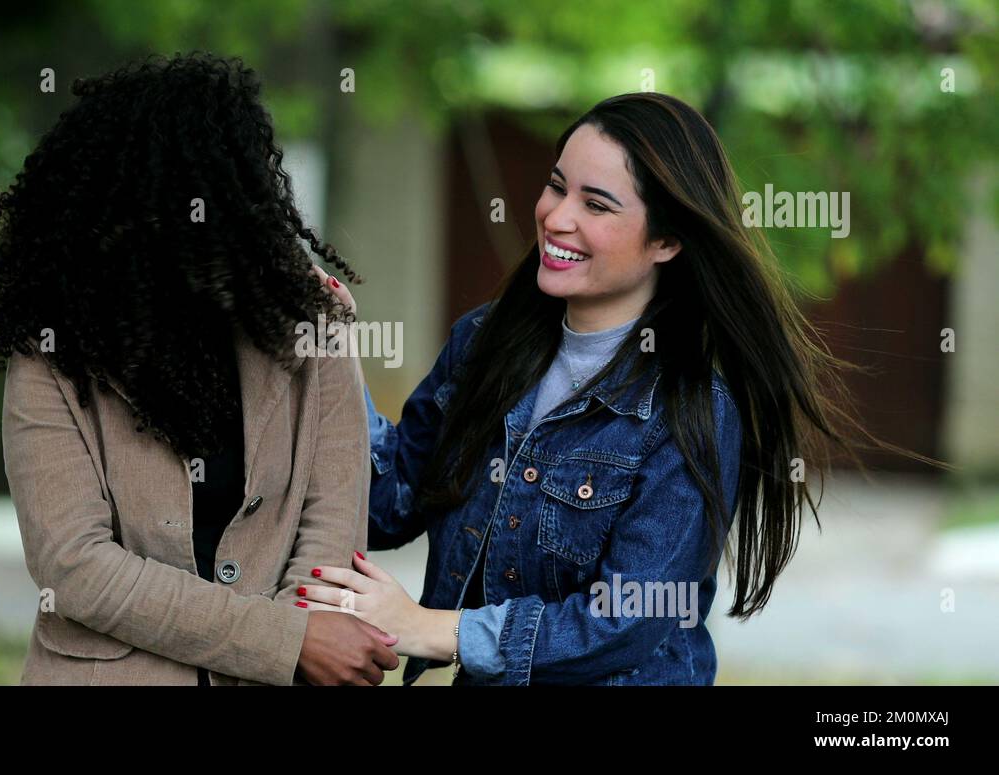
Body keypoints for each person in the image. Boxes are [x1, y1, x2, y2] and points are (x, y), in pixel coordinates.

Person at [303, 92, 929, 685]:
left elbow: (624, 621)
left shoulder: (691, 409)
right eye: (556, 186)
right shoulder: (483, 346)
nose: (556, 216)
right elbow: (388, 499)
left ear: (667, 240)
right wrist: (330, 354)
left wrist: (435, 629)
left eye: (596, 205)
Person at [0, 52, 398, 685]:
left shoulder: (312, 316)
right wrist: (283, 642)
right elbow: (75, 566)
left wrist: (290, 650)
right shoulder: (54, 346)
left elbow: (331, 521)